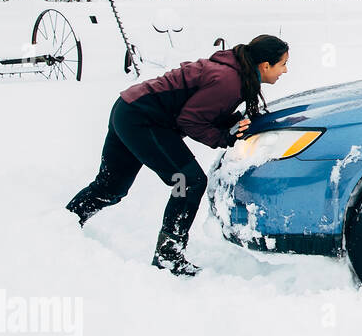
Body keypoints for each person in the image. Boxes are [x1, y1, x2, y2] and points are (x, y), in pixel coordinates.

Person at [66, 35, 290, 276]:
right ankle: (168, 255)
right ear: (265, 65)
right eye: (283, 64)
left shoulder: (234, 73)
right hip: (143, 120)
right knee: (189, 181)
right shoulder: (228, 80)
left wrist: (230, 123)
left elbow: (200, 108)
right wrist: (223, 138)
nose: (285, 71)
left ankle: (63, 225)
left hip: (128, 108)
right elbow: (190, 120)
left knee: (111, 186)